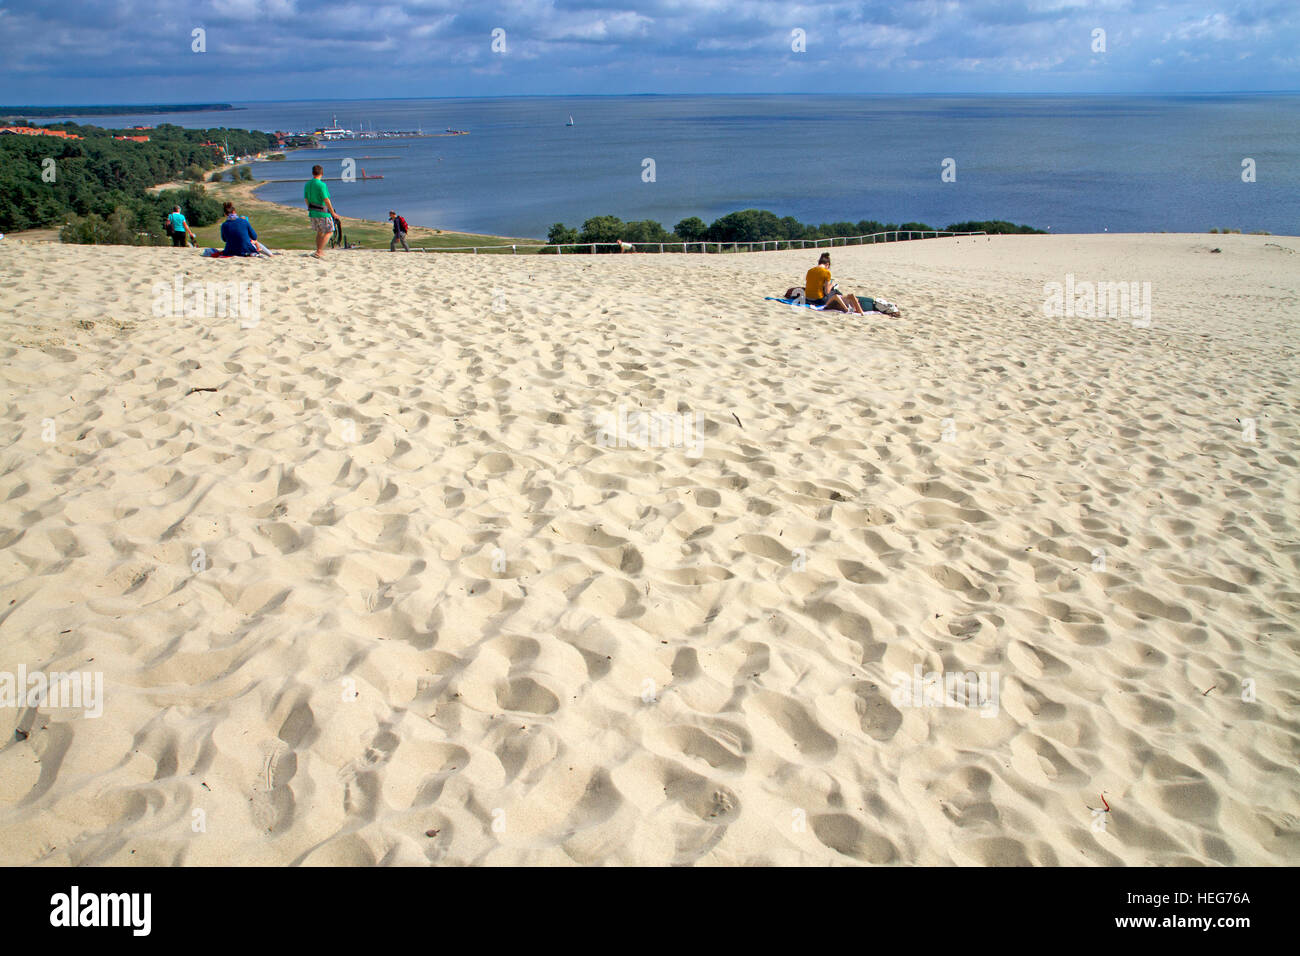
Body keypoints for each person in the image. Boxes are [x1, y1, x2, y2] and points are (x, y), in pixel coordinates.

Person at [304, 165, 337, 258]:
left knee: (319, 232)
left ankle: (319, 250)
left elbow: (306, 199)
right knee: (330, 231)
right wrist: (333, 213)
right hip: (322, 212)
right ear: (322, 173)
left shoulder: (307, 184)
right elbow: (326, 199)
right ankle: (319, 251)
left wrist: (309, 208)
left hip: (313, 212)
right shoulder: (321, 185)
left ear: (312, 173)